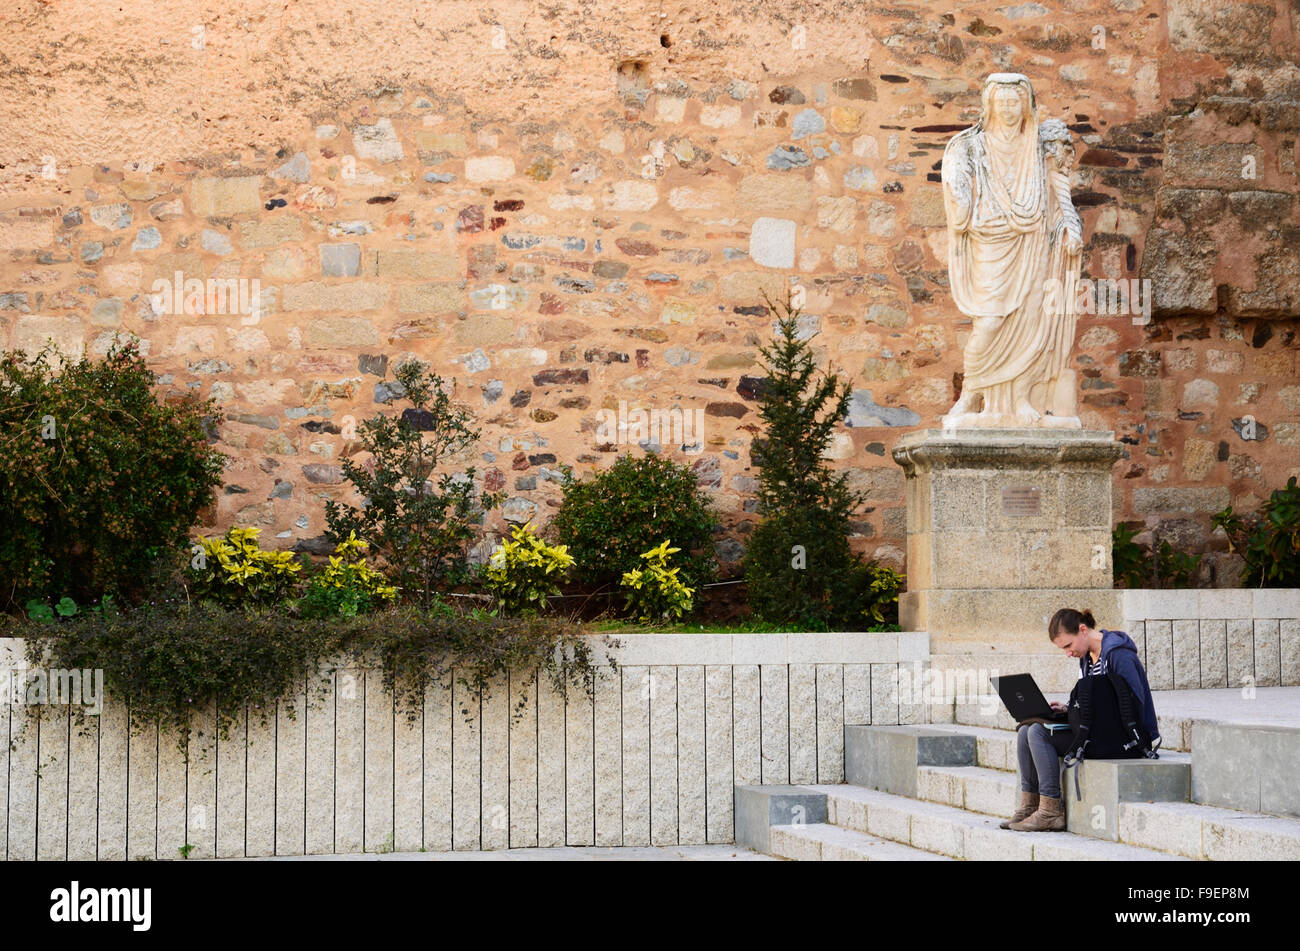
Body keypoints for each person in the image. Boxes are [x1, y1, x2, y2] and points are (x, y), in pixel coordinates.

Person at [1002, 607, 1160, 832]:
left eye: (1068, 645)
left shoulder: (1120, 656)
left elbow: (1134, 707)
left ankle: (1051, 811)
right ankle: (1030, 806)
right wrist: (1067, 709)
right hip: (1098, 730)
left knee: (1038, 733)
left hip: (1126, 739)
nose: (1068, 653)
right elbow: (1096, 701)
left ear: (1083, 630)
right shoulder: (1087, 658)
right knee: (1027, 729)